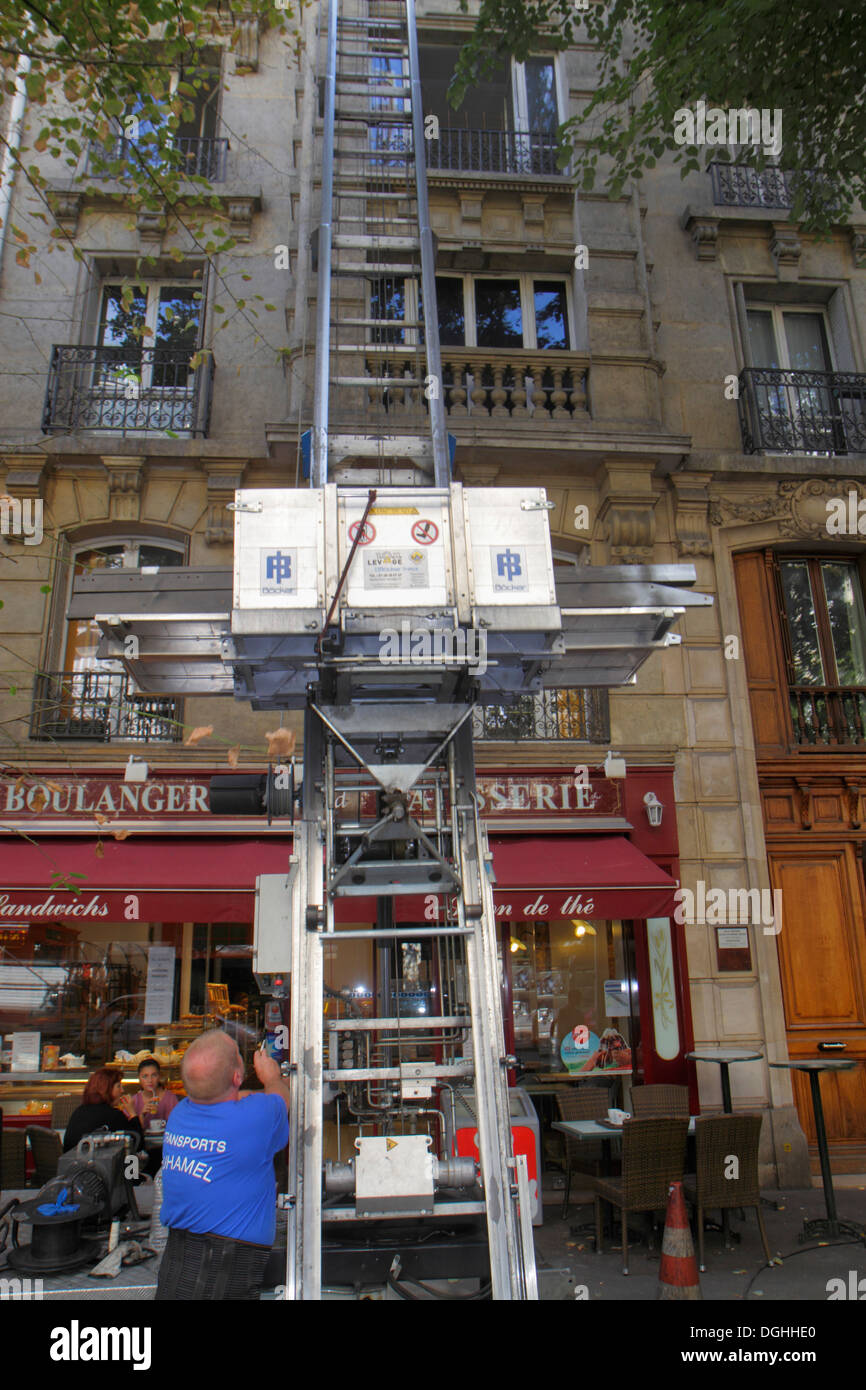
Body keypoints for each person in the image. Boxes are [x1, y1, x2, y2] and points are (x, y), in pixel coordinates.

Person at [155, 1030, 289, 1301]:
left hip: (176, 1270)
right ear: (237, 1078)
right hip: (223, 1275)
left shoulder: (180, 1113)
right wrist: (272, 1076)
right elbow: (283, 1099)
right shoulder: (255, 1117)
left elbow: (234, 1098)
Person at [62, 1066, 144, 1152]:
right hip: (98, 1164)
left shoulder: (79, 1111)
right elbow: (138, 1145)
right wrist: (132, 1113)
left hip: (70, 1163)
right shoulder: (113, 1115)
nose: (122, 1090)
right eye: (118, 1086)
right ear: (107, 1089)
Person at [131, 1057, 179, 1131]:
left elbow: (177, 1126)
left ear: (159, 1077)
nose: (150, 1080)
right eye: (145, 1076)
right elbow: (129, 1131)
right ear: (139, 1078)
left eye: (154, 1075)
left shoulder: (170, 1099)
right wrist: (141, 1116)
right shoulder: (134, 1101)